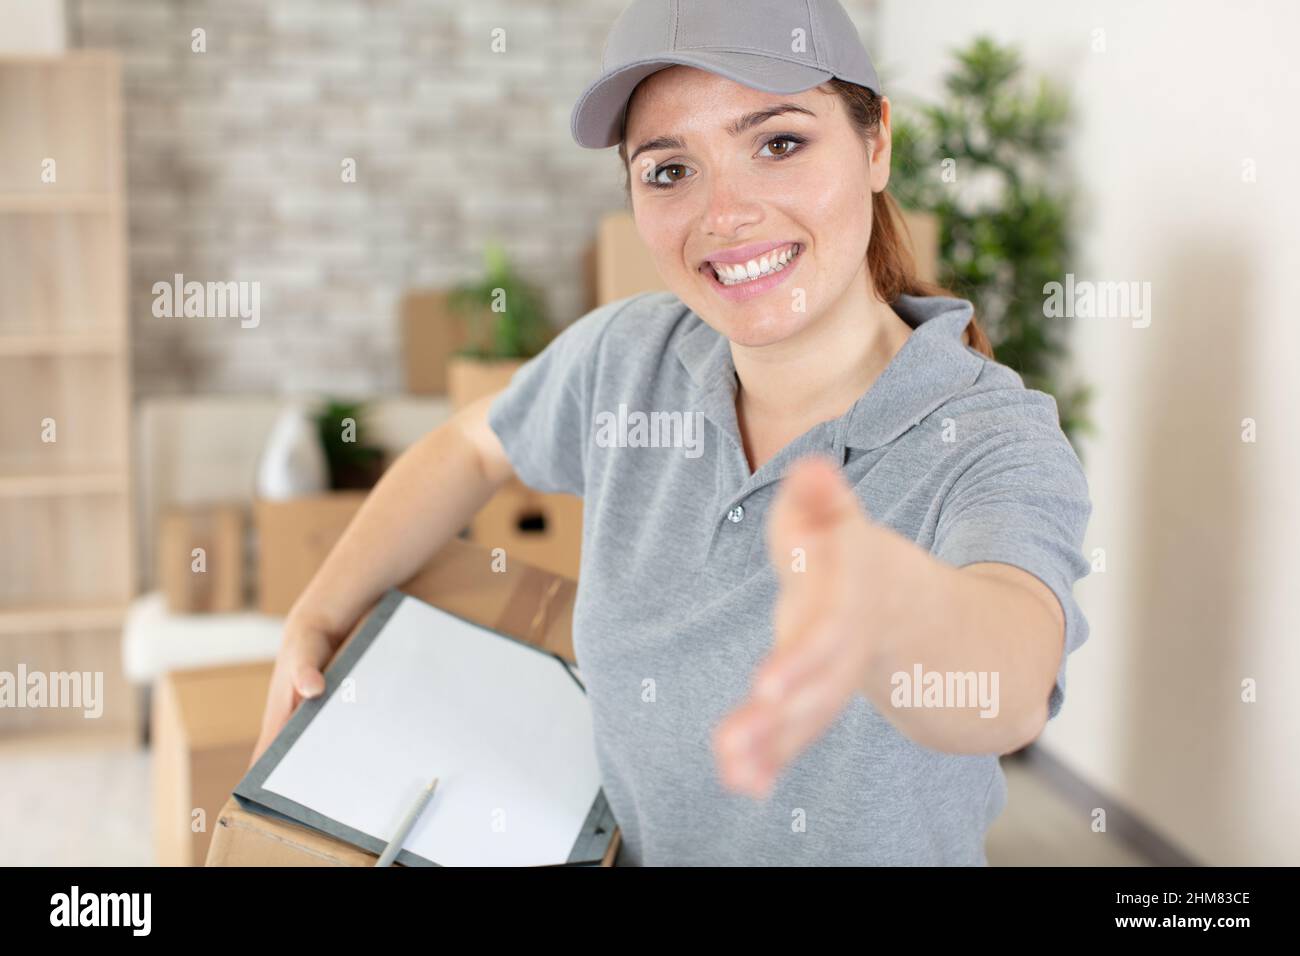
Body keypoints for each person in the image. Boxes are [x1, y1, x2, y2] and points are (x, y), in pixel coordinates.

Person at [254, 0, 1093, 866]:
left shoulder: (986, 434)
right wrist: (318, 613)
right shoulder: (630, 357)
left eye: (778, 143)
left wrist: (886, 606)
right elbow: (473, 444)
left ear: (877, 143)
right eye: (668, 170)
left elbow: (1010, 681)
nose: (725, 213)